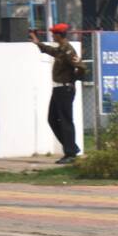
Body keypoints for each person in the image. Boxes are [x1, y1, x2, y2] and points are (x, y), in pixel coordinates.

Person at [30, 22, 82, 163]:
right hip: (58, 89)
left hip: (65, 89)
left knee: (65, 121)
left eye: (54, 34)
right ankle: (71, 148)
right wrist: (37, 42)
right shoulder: (61, 49)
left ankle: (70, 154)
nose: (52, 36)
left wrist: (73, 80)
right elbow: (51, 51)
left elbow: (81, 67)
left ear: (59, 35)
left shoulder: (68, 50)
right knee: (52, 119)